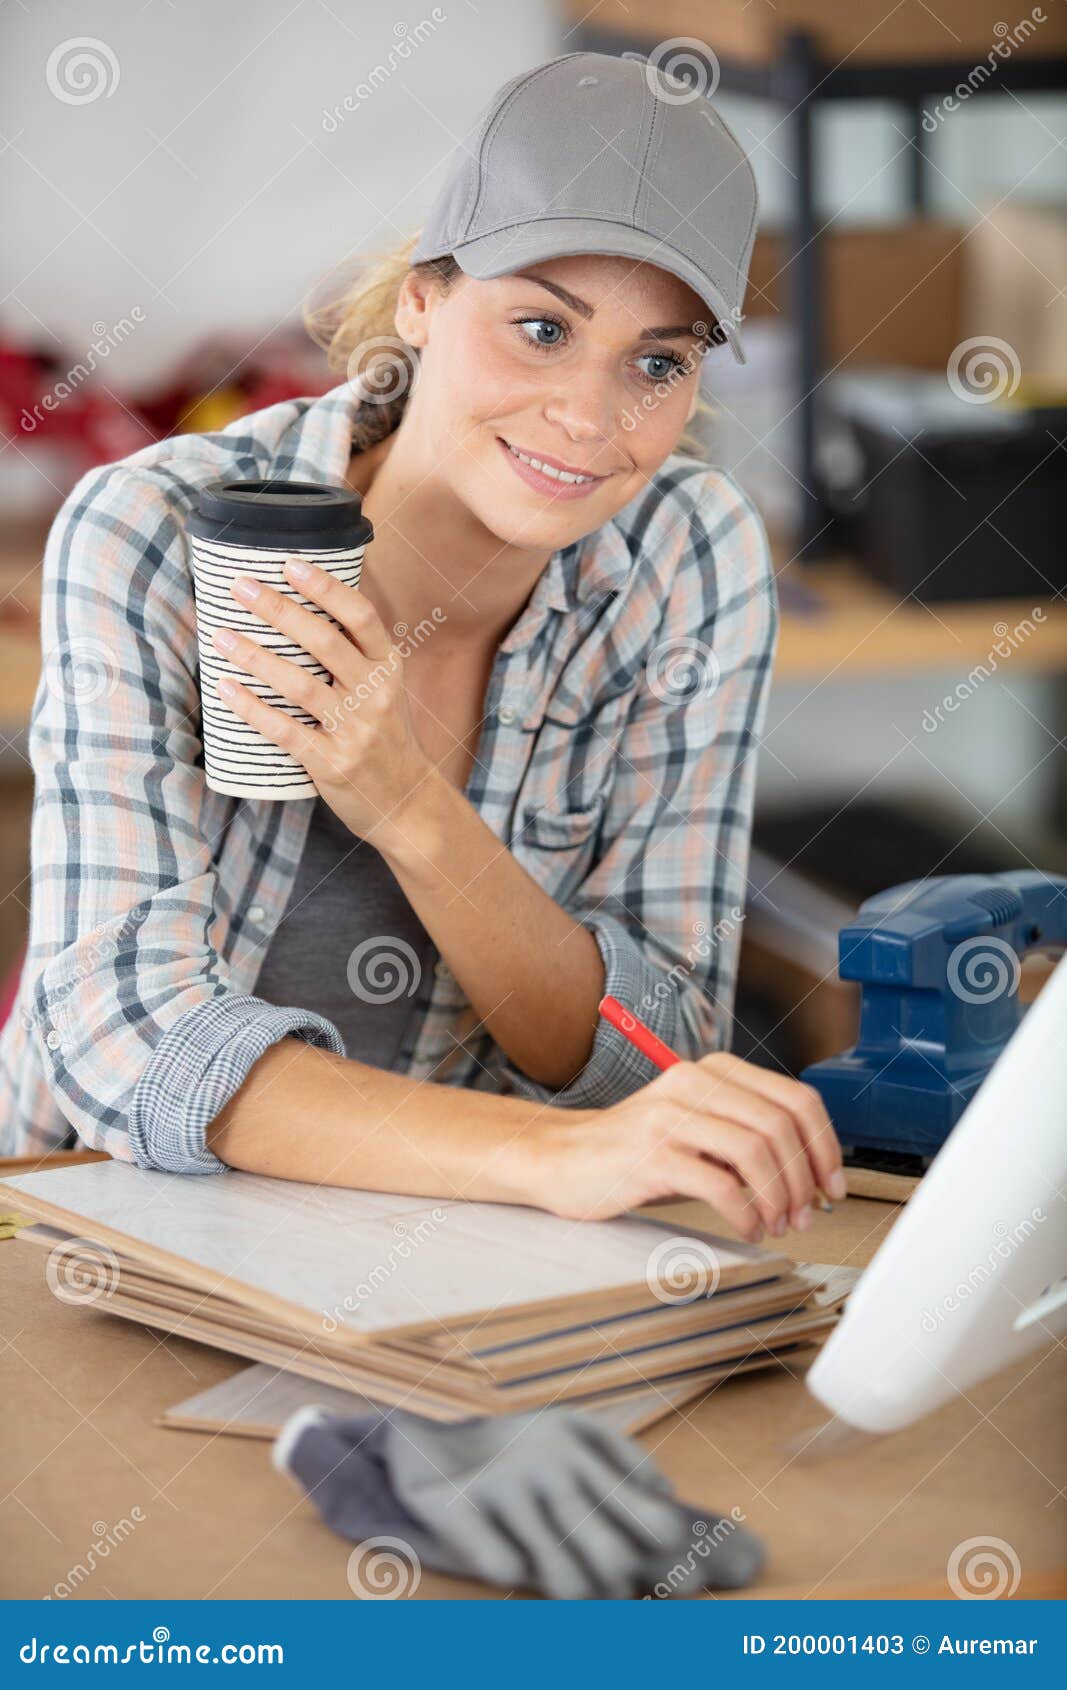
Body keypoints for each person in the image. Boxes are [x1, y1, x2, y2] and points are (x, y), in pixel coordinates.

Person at [0, 51, 845, 1235]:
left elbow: (652, 1047)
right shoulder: (154, 532)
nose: (588, 418)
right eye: (540, 328)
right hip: (109, 1236)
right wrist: (553, 1157)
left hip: (454, 1252)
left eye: (657, 362)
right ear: (421, 300)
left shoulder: (688, 558)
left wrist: (404, 803)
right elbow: (122, 1040)